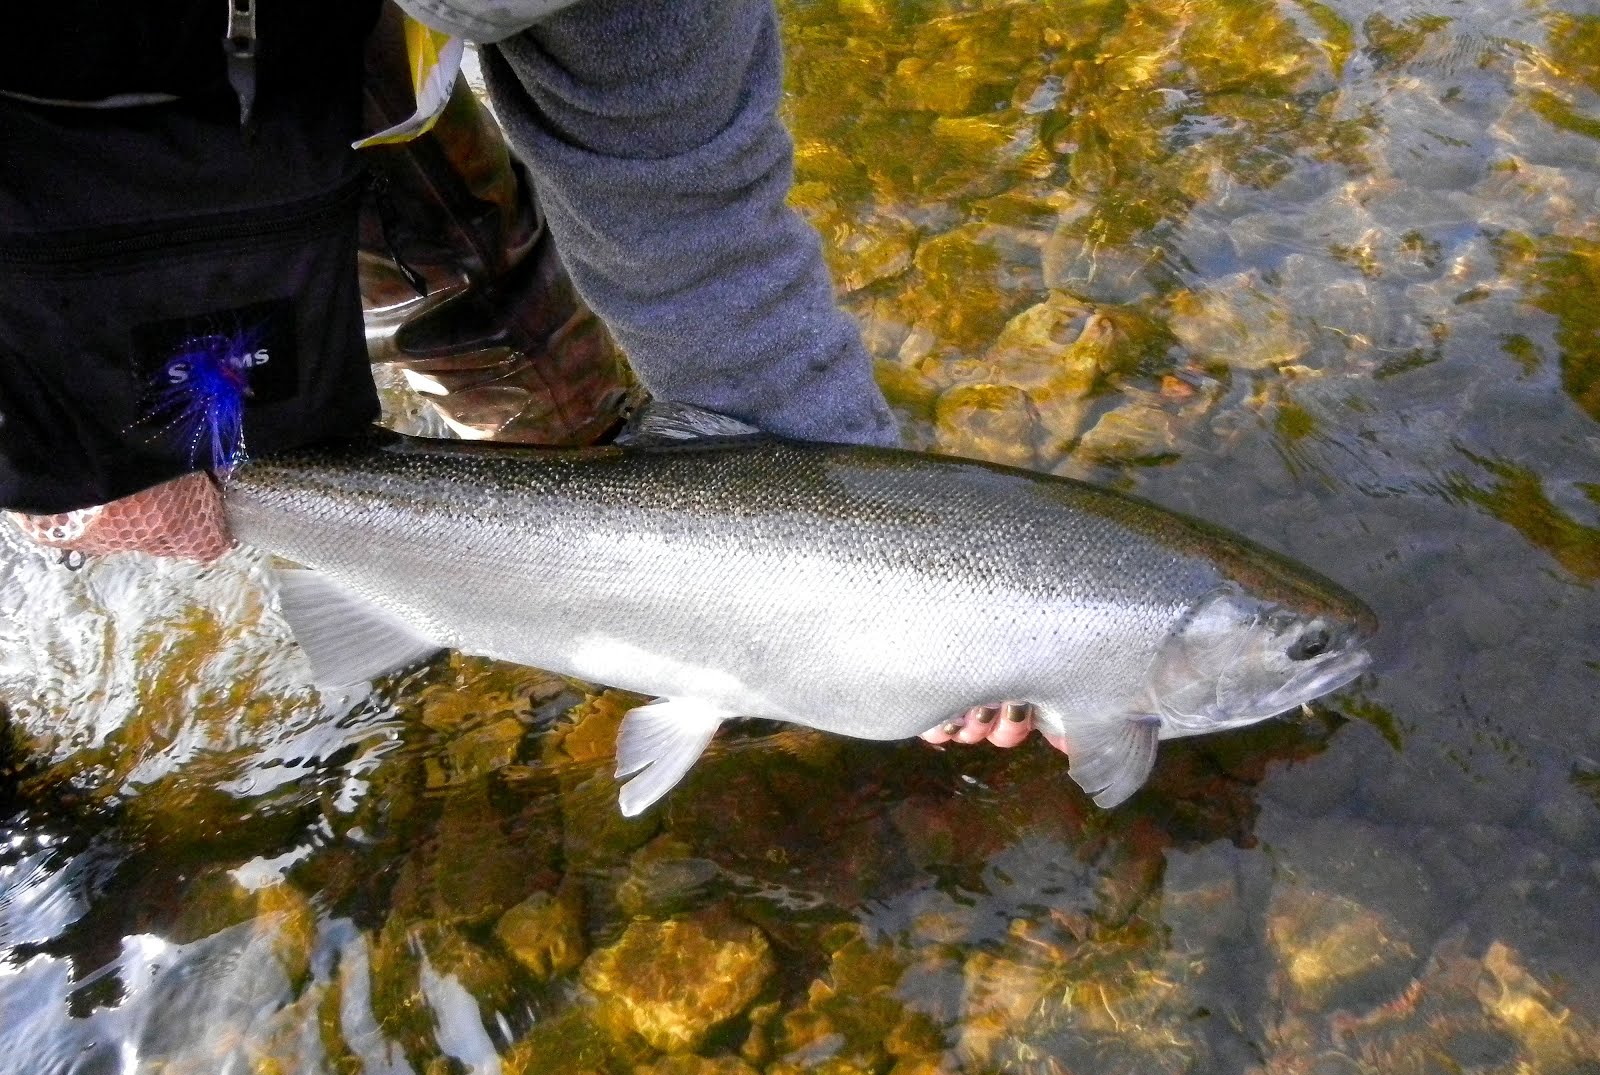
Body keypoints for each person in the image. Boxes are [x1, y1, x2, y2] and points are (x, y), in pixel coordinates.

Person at [0, 0, 1046, 751]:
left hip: (302, 50)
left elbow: (700, 229)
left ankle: (475, 574)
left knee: (505, 327)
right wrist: (51, 442)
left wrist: (880, 574)